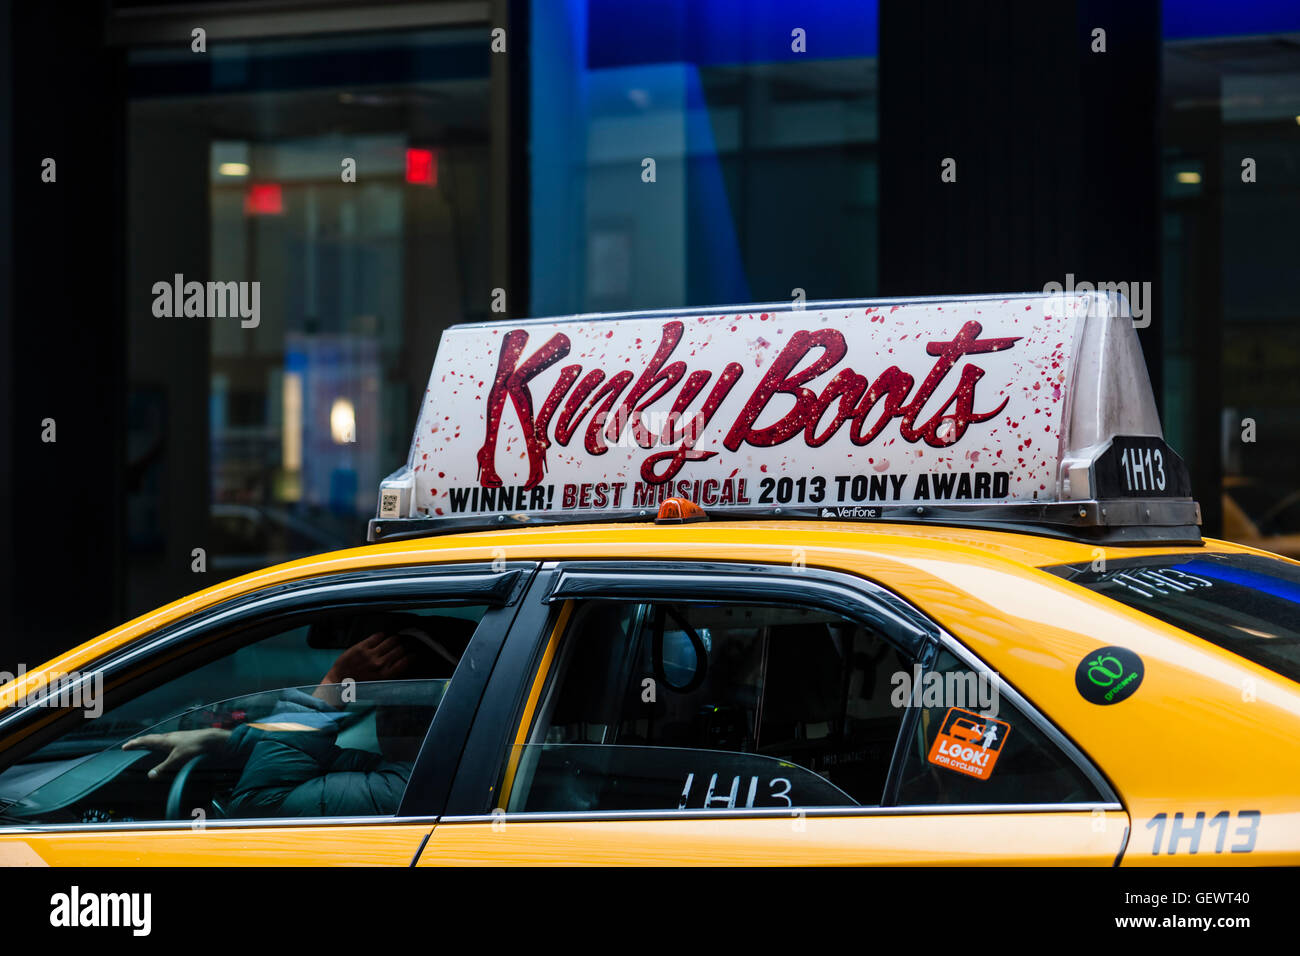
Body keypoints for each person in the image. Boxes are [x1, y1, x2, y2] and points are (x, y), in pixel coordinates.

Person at [123, 627, 459, 817]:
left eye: (384, 703)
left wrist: (333, 684)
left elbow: (259, 803)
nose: (380, 719)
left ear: (412, 711)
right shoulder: (442, 770)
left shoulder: (413, 788)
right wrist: (224, 740)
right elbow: (333, 764)